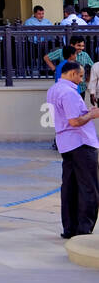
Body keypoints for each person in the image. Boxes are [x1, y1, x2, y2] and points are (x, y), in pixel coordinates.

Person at [48, 60, 99, 238]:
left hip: (66, 143)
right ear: (71, 74)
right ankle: (84, 229)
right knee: (88, 187)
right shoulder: (69, 93)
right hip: (81, 143)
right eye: (80, 75)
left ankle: (70, 228)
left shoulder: (54, 89)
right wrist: (92, 114)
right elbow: (74, 121)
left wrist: (86, 113)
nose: (81, 80)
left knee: (70, 186)